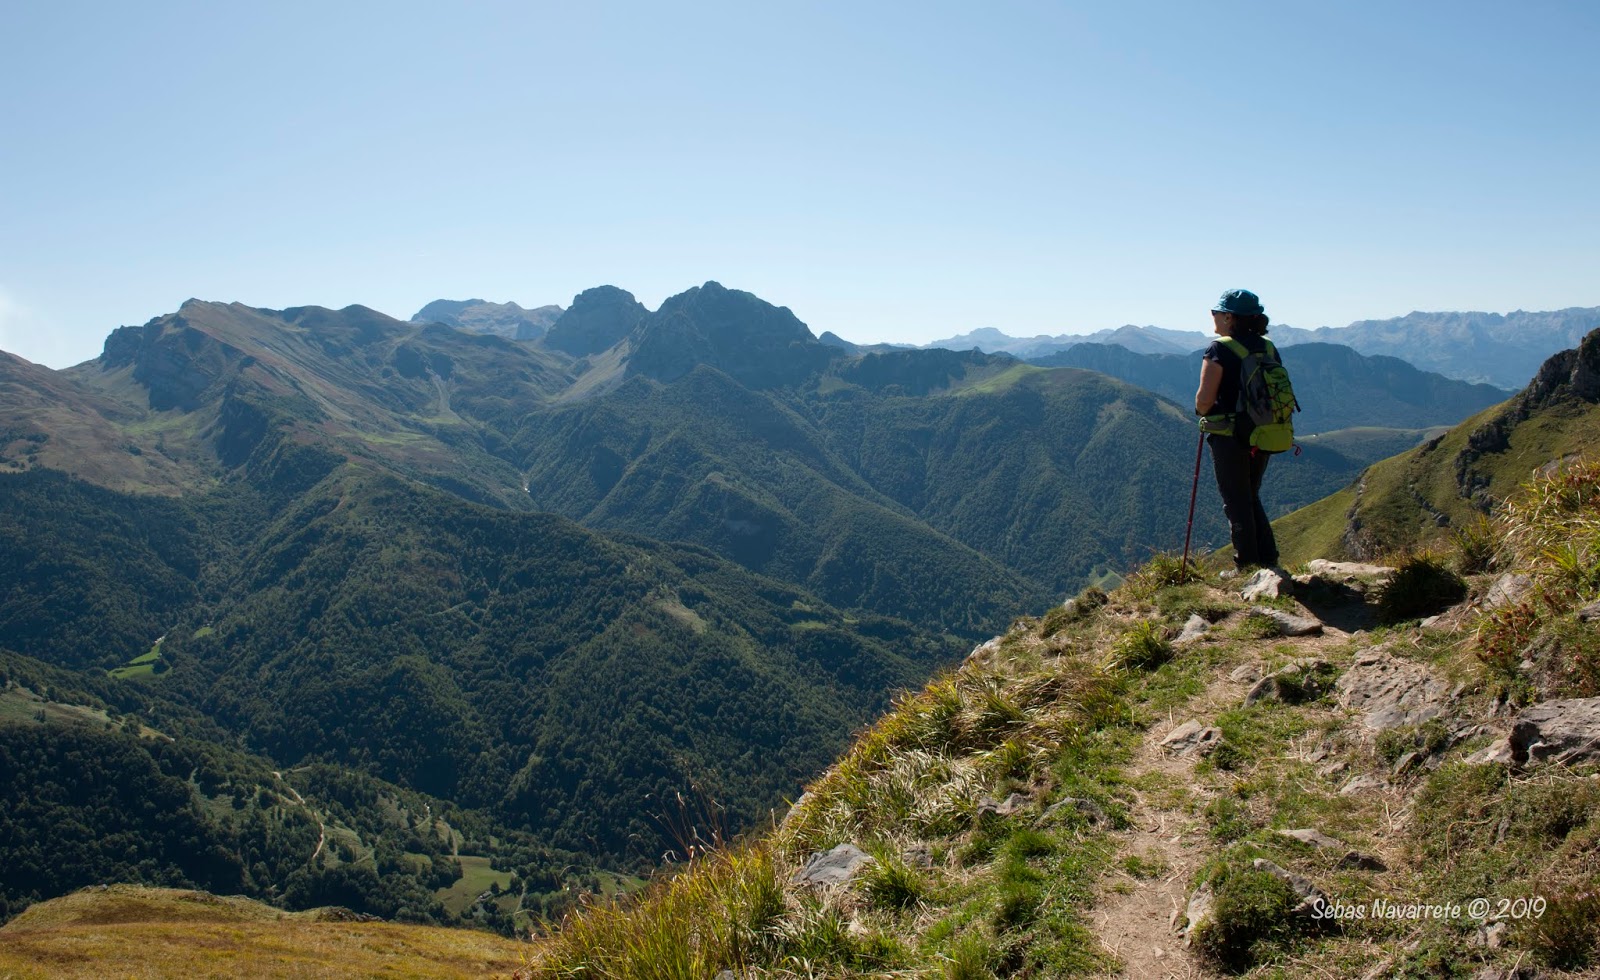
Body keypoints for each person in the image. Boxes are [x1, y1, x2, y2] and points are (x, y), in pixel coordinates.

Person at [1194, 288, 1280, 572]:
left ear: (1229, 317)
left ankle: (1248, 565)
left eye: (1215, 313)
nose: (1213, 318)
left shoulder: (1219, 349)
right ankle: (1268, 559)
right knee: (1250, 494)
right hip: (1263, 433)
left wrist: (1202, 412)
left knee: (1235, 499)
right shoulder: (1267, 347)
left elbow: (1204, 400)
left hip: (1229, 436)